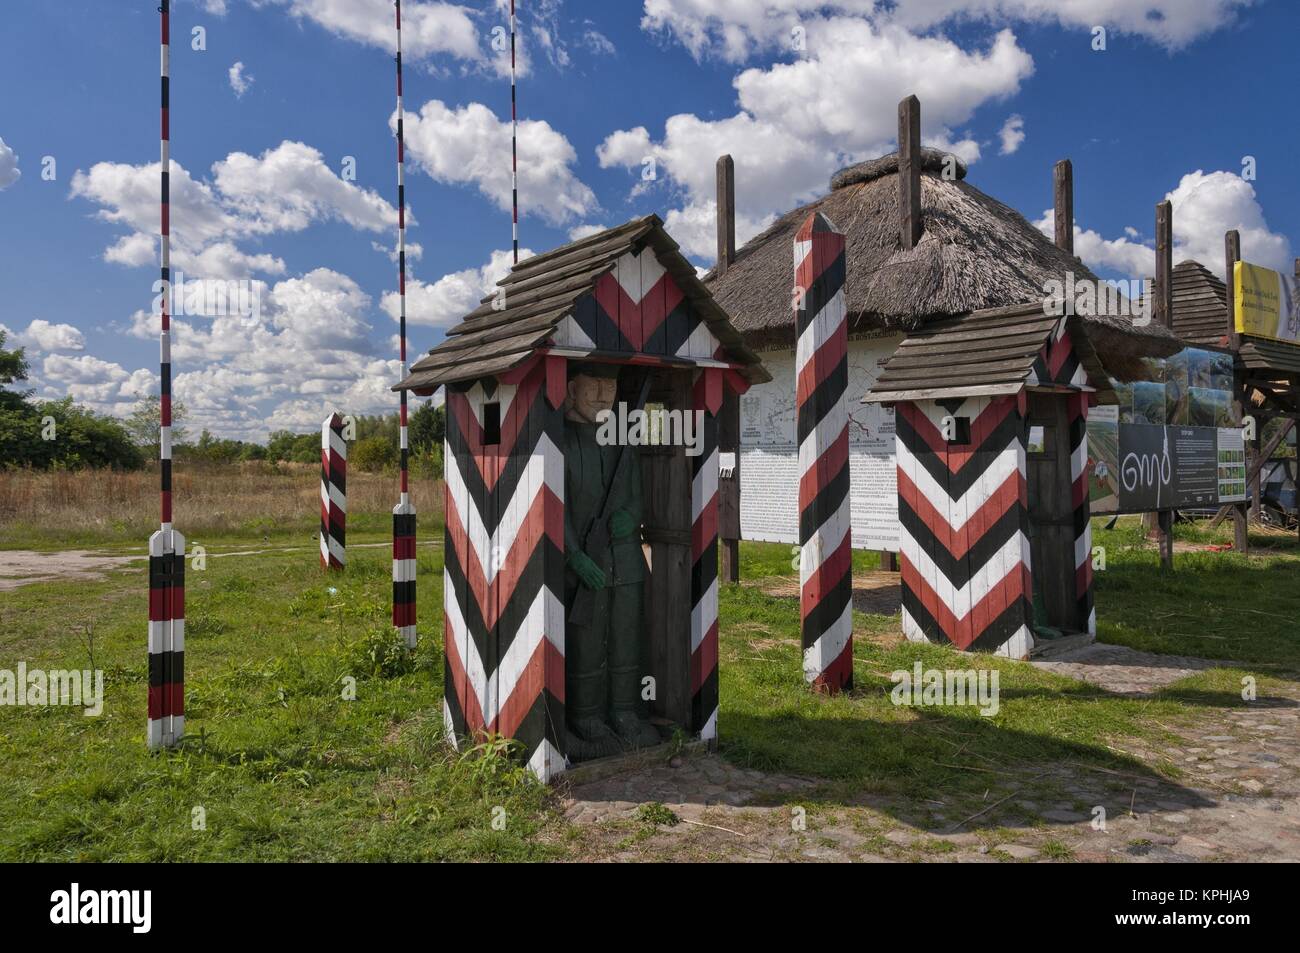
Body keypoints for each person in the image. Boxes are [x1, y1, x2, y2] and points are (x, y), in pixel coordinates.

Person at [562, 363, 660, 756]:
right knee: (586, 641)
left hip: (627, 561)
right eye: (594, 386)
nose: (604, 396)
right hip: (586, 564)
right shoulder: (562, 442)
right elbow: (558, 507)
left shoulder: (623, 442)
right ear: (571, 389)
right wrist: (574, 557)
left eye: (610, 386)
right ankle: (586, 717)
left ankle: (624, 712)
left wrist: (630, 517)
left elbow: (636, 495)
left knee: (626, 639)